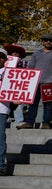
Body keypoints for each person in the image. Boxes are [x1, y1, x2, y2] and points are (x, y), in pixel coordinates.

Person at [17, 35, 52, 130]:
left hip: (49, 83)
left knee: (47, 105)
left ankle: (46, 123)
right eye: (46, 40)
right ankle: (29, 122)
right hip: (35, 82)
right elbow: (30, 67)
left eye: (50, 40)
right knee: (32, 103)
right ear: (42, 42)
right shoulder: (36, 54)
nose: (48, 42)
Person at [0, 47, 8, 175]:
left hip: (2, 108)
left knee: (0, 138)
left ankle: (1, 165)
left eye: (1, 57)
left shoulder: (10, 72)